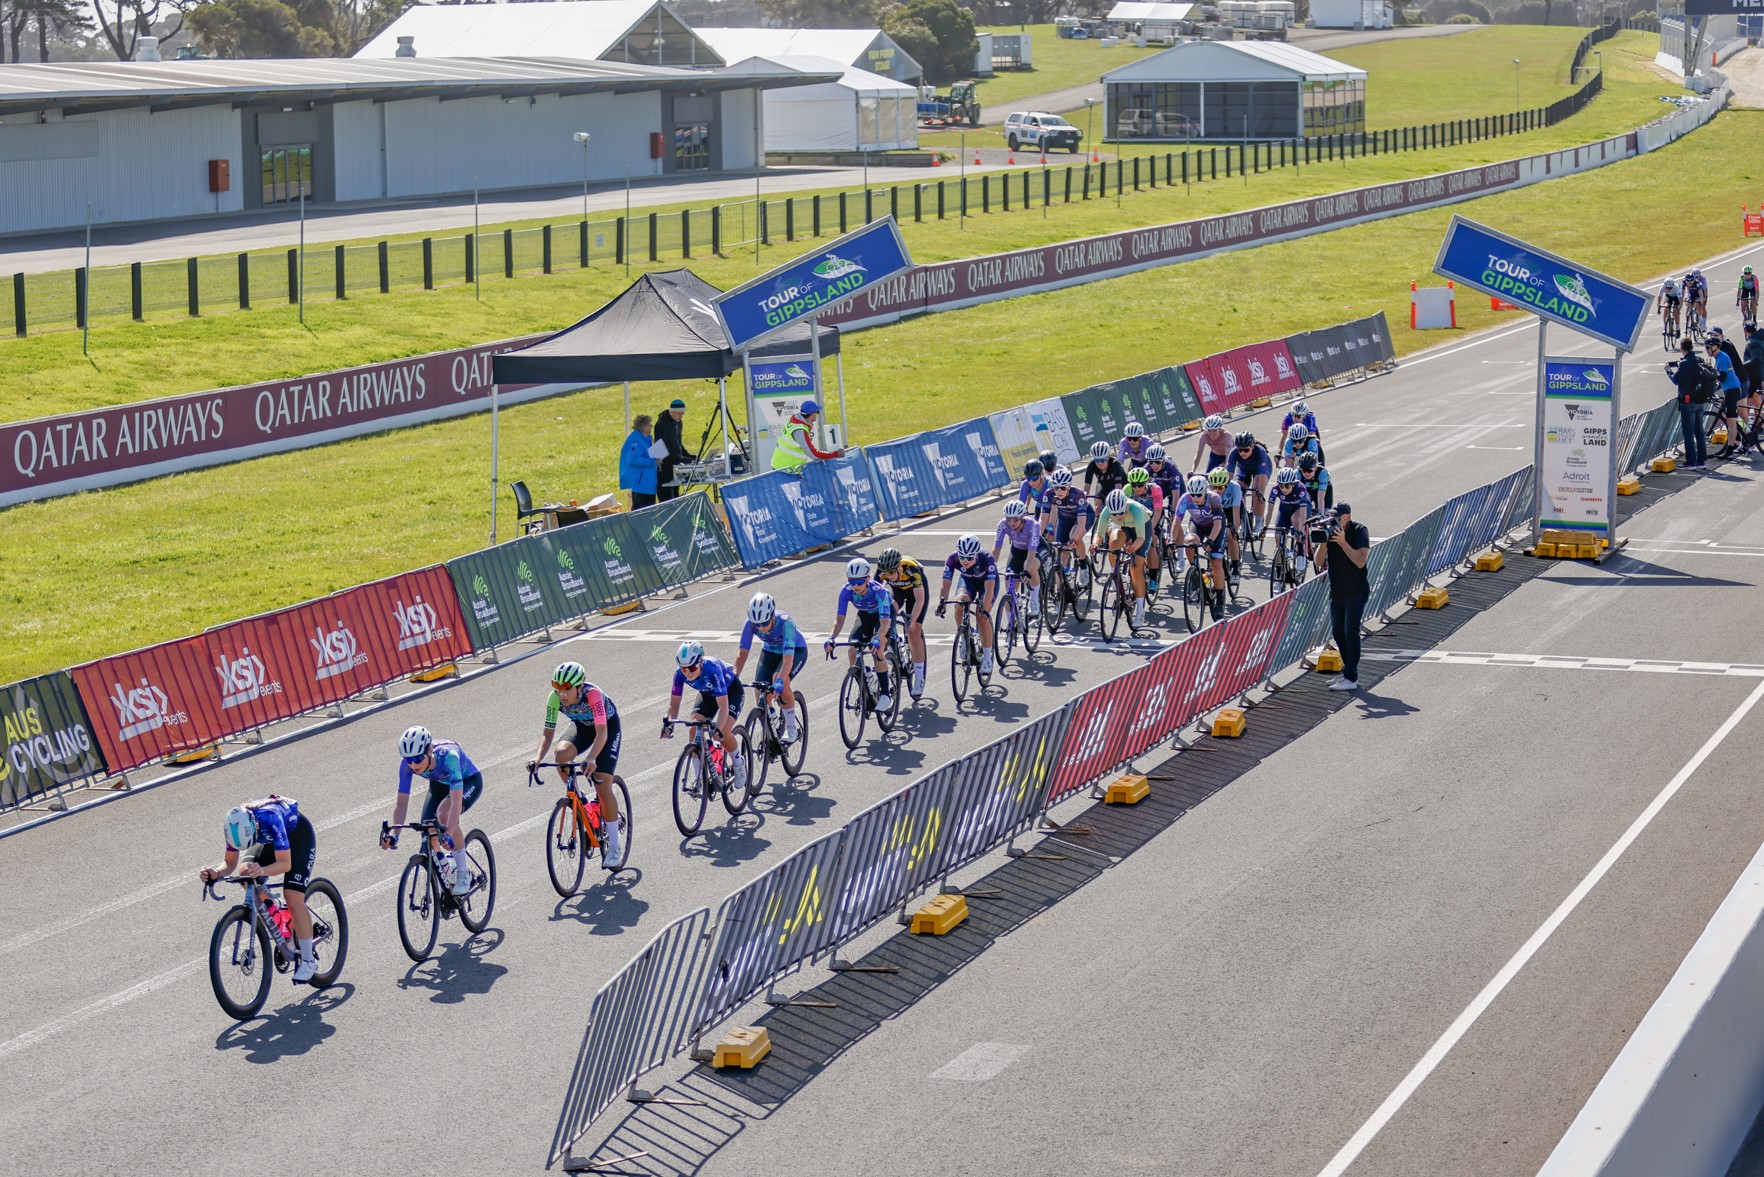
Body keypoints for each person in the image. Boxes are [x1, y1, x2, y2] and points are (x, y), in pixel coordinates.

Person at [200, 796, 321, 983]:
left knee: (293, 897)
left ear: (252, 827)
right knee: (245, 871)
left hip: (297, 837)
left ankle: (308, 960)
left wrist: (263, 870)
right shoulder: (234, 827)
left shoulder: (270, 818)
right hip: (267, 839)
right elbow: (230, 863)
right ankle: (276, 909)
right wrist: (215, 872)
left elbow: (285, 864)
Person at [531, 661, 624, 866]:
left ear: (579, 687)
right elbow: (548, 734)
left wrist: (591, 758)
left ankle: (615, 848)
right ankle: (580, 800)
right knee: (561, 754)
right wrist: (538, 758)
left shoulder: (593, 695)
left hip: (606, 729)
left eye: (566, 689)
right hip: (582, 727)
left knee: (602, 784)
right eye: (558, 688)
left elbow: (601, 734)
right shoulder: (554, 699)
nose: (561, 694)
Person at [381, 726, 482, 895]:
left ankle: (464, 873)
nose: (413, 764)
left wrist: (448, 833)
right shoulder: (407, 766)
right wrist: (395, 834)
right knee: (427, 828)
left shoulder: (449, 757)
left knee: (443, 814)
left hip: (468, 781)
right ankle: (448, 869)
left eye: (418, 758)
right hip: (440, 785)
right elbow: (401, 803)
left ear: (429, 752)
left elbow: (455, 805)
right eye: (409, 760)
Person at [663, 640, 748, 790]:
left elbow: (723, 706)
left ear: (700, 662)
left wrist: (718, 730)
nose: (687, 672)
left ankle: (738, 763)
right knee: (693, 730)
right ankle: (699, 778)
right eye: (683, 669)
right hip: (708, 695)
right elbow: (674, 705)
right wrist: (669, 724)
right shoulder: (679, 675)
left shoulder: (713, 668)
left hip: (730, 692)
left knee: (722, 733)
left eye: (692, 667)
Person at [733, 592, 806, 742]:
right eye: (757, 625)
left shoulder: (786, 623)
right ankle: (771, 719)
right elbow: (742, 653)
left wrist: (779, 681)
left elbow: (788, 659)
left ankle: (792, 730)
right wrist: (734, 677)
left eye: (764, 624)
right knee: (760, 691)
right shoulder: (751, 624)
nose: (761, 627)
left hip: (795, 651)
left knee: (780, 680)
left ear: (772, 617)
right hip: (770, 651)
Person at [1313, 502, 1370, 691]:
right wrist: (1323, 542)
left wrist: (1343, 542)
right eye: (1333, 516)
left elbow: (1360, 561)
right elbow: (1318, 561)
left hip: (1356, 590)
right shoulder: (1330, 531)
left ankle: (1351, 678)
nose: (1335, 521)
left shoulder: (1360, 530)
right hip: (1337, 590)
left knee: (1351, 632)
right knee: (1338, 633)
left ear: (1348, 516)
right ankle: (1348, 672)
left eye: (1339, 517)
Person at [824, 557, 894, 712]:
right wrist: (831, 638)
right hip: (865, 615)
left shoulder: (880, 592)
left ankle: (885, 694)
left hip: (883, 618)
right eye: (852, 581)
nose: (855, 586)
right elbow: (839, 620)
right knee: (852, 651)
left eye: (859, 582)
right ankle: (866, 681)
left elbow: (884, 623)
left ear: (868, 579)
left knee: (878, 649)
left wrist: (877, 638)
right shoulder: (846, 591)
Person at [937, 534, 998, 675]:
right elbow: (945, 585)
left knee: (981, 616)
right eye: (962, 557)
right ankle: (964, 638)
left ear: (976, 554)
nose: (965, 561)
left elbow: (989, 589)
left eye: (970, 558)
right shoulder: (952, 558)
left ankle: (987, 657)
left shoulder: (987, 558)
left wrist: (985, 609)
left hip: (986, 584)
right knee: (959, 605)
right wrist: (942, 602)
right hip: (967, 581)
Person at [1091, 487, 1151, 628]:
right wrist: (1094, 544)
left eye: (1121, 512)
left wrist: (1133, 548)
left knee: (1135, 567)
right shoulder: (1107, 511)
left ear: (1126, 506)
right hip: (1123, 528)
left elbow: (1141, 538)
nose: (1118, 516)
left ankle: (1141, 611)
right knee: (1113, 542)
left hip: (1140, 529)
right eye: (1115, 514)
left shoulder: (1135, 509)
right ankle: (1116, 573)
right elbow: (1099, 533)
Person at [876, 547, 930, 698]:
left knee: (913, 631)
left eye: (892, 572)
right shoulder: (882, 572)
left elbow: (920, 599)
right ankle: (893, 645)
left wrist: (913, 621)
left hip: (915, 593)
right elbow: (875, 594)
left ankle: (919, 676)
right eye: (886, 573)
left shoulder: (911, 568)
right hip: (897, 592)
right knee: (888, 611)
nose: (889, 576)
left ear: (899, 566)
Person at [1176, 475, 1228, 622]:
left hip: (1215, 527)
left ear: (1205, 491)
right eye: (1193, 495)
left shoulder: (1214, 499)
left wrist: (1211, 540)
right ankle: (1196, 573)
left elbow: (1218, 525)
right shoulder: (1185, 499)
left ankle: (1219, 600)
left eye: (1199, 495)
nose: (1195, 498)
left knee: (1216, 562)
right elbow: (1176, 523)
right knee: (1189, 542)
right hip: (1198, 525)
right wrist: (1173, 543)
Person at [1040, 466, 1096, 592]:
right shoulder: (1049, 494)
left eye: (1063, 488)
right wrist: (1038, 537)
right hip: (1065, 518)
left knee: (1074, 536)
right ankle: (1061, 592)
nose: (1059, 491)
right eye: (1056, 488)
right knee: (1061, 553)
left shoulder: (1078, 495)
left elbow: (1081, 523)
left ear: (1069, 487)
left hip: (1083, 517)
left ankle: (1083, 567)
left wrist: (1074, 539)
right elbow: (1043, 519)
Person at [1667, 338, 1711, 471]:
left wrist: (1668, 370)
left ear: (1682, 349)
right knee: (1699, 432)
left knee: (1688, 433)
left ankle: (1691, 462)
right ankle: (1702, 460)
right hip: (1700, 400)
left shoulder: (1685, 363)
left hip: (1688, 401)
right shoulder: (1699, 360)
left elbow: (1676, 380)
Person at [993, 499, 1043, 611]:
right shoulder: (1003, 524)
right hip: (1017, 551)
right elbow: (996, 548)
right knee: (1009, 589)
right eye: (1009, 519)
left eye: (1015, 519)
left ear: (1023, 517)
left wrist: (1026, 570)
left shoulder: (1033, 525)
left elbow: (1031, 551)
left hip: (1036, 550)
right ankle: (1011, 626)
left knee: (1029, 567)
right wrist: (991, 565)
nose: (1012, 523)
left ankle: (1034, 601)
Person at [771, 399, 844, 475]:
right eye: (817, 412)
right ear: (812, 414)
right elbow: (813, 454)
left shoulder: (796, 421)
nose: (817, 415)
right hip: (786, 471)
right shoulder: (799, 430)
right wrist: (835, 454)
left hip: (784, 467)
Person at [1125, 467, 1165, 594]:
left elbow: (1158, 511)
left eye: (1140, 485)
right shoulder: (1126, 490)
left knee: (1151, 543)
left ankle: (1153, 578)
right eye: (1134, 485)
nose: (1137, 488)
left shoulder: (1155, 489)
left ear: (1146, 483)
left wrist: (1150, 530)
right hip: (1136, 519)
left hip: (1154, 518)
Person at [1226, 431, 1273, 533]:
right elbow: (1229, 475)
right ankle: (1242, 521)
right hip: (1243, 470)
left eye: (1246, 450)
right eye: (1240, 450)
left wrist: (1260, 494)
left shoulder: (1260, 451)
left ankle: (1259, 522)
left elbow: (1262, 477)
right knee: (1237, 492)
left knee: (1256, 494)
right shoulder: (1233, 452)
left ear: (1252, 447)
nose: (1243, 453)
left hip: (1260, 471)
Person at [1706, 336, 1745, 459]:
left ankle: (1730, 450)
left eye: (1707, 347)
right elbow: (1720, 380)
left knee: (1731, 421)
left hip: (1732, 390)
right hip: (1730, 390)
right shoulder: (1718, 358)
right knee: (1730, 418)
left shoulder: (1722, 357)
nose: (1706, 350)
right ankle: (1744, 436)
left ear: (1715, 347)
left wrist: (1711, 371)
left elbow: (1721, 377)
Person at [1206, 466, 1245, 586]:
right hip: (1217, 512)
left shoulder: (1235, 487)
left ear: (1227, 483)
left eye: (1221, 487)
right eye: (1214, 487)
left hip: (1231, 510)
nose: (1217, 490)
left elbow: (1236, 511)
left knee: (1230, 535)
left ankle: (1235, 567)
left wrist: (1235, 529)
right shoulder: (1208, 488)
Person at [1270, 467, 1314, 558]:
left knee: (1295, 519)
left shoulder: (1300, 489)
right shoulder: (1275, 489)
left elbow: (1302, 513)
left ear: (1293, 484)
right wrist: (1265, 526)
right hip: (1285, 509)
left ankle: (1300, 549)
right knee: (1278, 540)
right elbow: (1269, 511)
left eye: (1287, 486)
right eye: (1281, 486)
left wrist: (1301, 530)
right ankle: (1279, 569)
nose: (1284, 489)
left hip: (1301, 509)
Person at [620, 414, 660, 511]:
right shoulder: (635, 441)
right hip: (641, 485)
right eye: (649, 425)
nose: (651, 427)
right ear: (643, 427)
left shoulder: (646, 440)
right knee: (643, 513)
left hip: (649, 484)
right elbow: (632, 459)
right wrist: (651, 461)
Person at [654, 398, 690, 503]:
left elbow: (678, 444)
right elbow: (663, 449)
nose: (681, 417)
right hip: (665, 466)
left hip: (676, 465)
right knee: (667, 500)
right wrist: (681, 458)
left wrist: (689, 456)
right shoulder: (662, 424)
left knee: (676, 496)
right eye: (680, 414)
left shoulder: (678, 422)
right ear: (672, 412)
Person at [1081, 440, 1128, 511]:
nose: (1100, 463)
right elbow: (1087, 486)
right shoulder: (1091, 465)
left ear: (1108, 457)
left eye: (1103, 460)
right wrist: (1083, 499)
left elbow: (1118, 488)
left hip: (1121, 484)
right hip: (1104, 485)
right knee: (1097, 506)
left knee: (1120, 504)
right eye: (1097, 460)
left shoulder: (1116, 464)